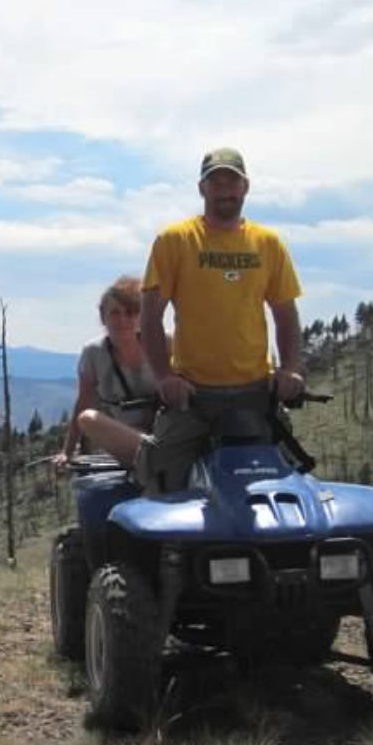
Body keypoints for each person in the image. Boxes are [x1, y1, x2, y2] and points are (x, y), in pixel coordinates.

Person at [135, 145, 304, 492]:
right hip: (192, 396)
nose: (225, 190)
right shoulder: (175, 240)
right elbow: (150, 316)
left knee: (289, 485)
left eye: (232, 181)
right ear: (202, 188)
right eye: (216, 182)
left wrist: (289, 369)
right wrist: (164, 377)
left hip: (256, 392)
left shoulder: (268, 244)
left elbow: (285, 314)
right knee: (159, 480)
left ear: (246, 187)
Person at [53, 275, 161, 471]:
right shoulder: (94, 353)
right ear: (103, 317)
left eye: (130, 312)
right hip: (127, 440)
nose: (122, 319)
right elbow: (83, 402)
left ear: (140, 316)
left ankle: (157, 460)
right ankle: (152, 461)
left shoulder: (163, 342)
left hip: (167, 433)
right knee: (87, 419)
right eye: (115, 313)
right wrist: (67, 452)